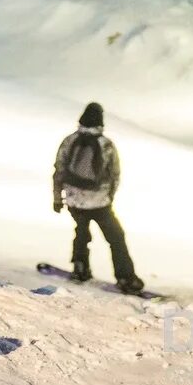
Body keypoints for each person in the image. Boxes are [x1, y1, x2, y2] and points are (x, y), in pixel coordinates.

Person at [52, 102, 144, 295]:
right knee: (116, 238)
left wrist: (58, 198)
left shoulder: (70, 140)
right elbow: (115, 174)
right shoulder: (106, 144)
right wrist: (109, 197)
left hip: (74, 199)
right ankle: (125, 277)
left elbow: (59, 170)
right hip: (100, 202)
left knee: (81, 233)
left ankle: (80, 268)